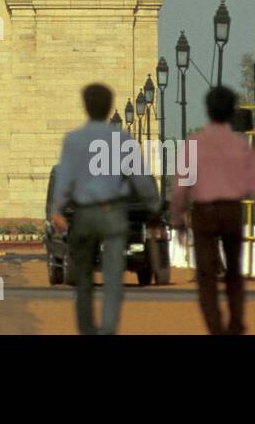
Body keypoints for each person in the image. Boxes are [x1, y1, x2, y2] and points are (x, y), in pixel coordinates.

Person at [49, 83, 160, 335]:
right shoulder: (123, 139)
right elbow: (141, 179)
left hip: (84, 214)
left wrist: (56, 209)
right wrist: (154, 207)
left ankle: (87, 330)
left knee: (84, 281)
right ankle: (108, 330)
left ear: (85, 107)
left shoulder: (74, 140)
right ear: (110, 107)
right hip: (113, 213)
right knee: (112, 280)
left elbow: (65, 179)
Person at [170, 87, 255, 335]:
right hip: (231, 211)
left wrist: (177, 219)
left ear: (207, 111)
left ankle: (215, 327)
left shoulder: (193, 144)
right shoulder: (240, 146)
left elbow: (180, 186)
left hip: (203, 212)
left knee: (206, 276)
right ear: (231, 112)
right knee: (234, 272)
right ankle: (236, 323)